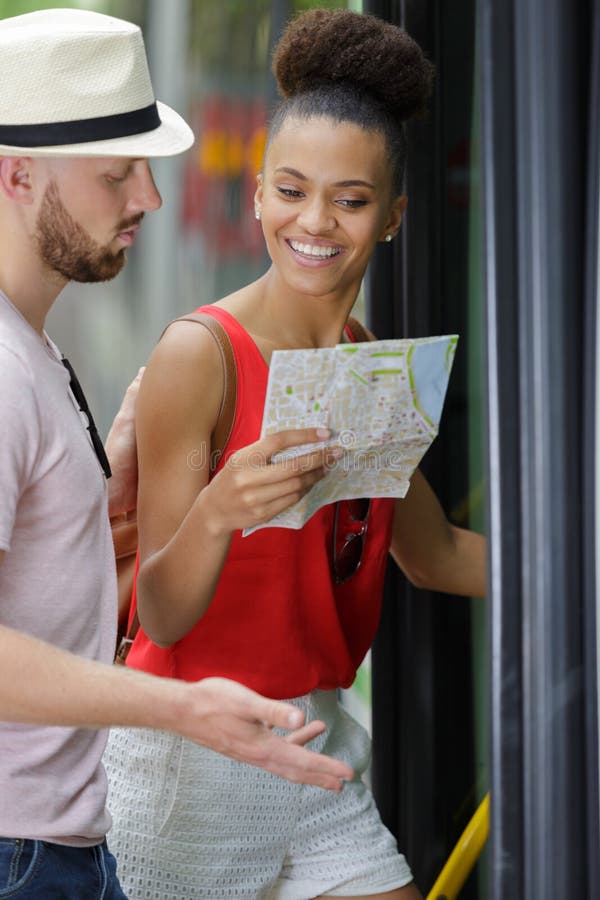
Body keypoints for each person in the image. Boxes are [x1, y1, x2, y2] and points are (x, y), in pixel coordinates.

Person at [104, 7, 486, 900]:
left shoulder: (368, 362)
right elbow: (161, 615)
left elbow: (434, 555)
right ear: (256, 195)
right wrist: (218, 512)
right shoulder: (199, 354)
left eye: (350, 200)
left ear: (393, 217)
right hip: (189, 762)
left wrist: (577, 574)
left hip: (314, 746)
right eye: (290, 189)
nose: (314, 221)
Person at [0, 9, 355, 900]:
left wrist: (101, 487)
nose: (150, 199)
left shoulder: (31, 351)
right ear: (17, 174)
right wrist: (187, 707)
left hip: (57, 849)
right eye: (118, 172)